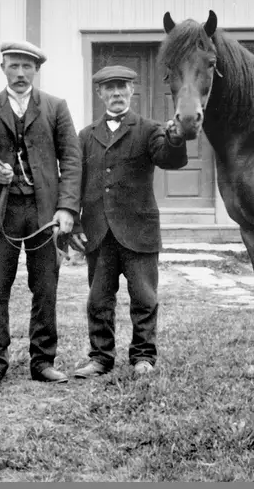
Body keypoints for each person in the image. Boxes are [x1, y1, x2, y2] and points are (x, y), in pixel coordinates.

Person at [0, 40, 82, 386]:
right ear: (3, 69)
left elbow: (71, 160)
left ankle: (43, 361)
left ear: (36, 71)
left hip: (45, 213)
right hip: (1, 211)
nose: (21, 73)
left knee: (45, 287)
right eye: (14, 66)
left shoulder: (56, 108)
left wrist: (67, 208)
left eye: (27, 67)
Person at [71, 65, 189, 379]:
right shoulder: (85, 136)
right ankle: (100, 358)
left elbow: (171, 160)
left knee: (144, 298)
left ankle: (143, 357)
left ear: (131, 91)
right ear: (100, 94)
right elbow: (74, 183)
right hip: (98, 233)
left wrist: (176, 138)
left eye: (122, 87)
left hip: (139, 231)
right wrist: (76, 226)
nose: (117, 93)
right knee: (98, 300)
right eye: (109, 88)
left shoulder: (149, 130)